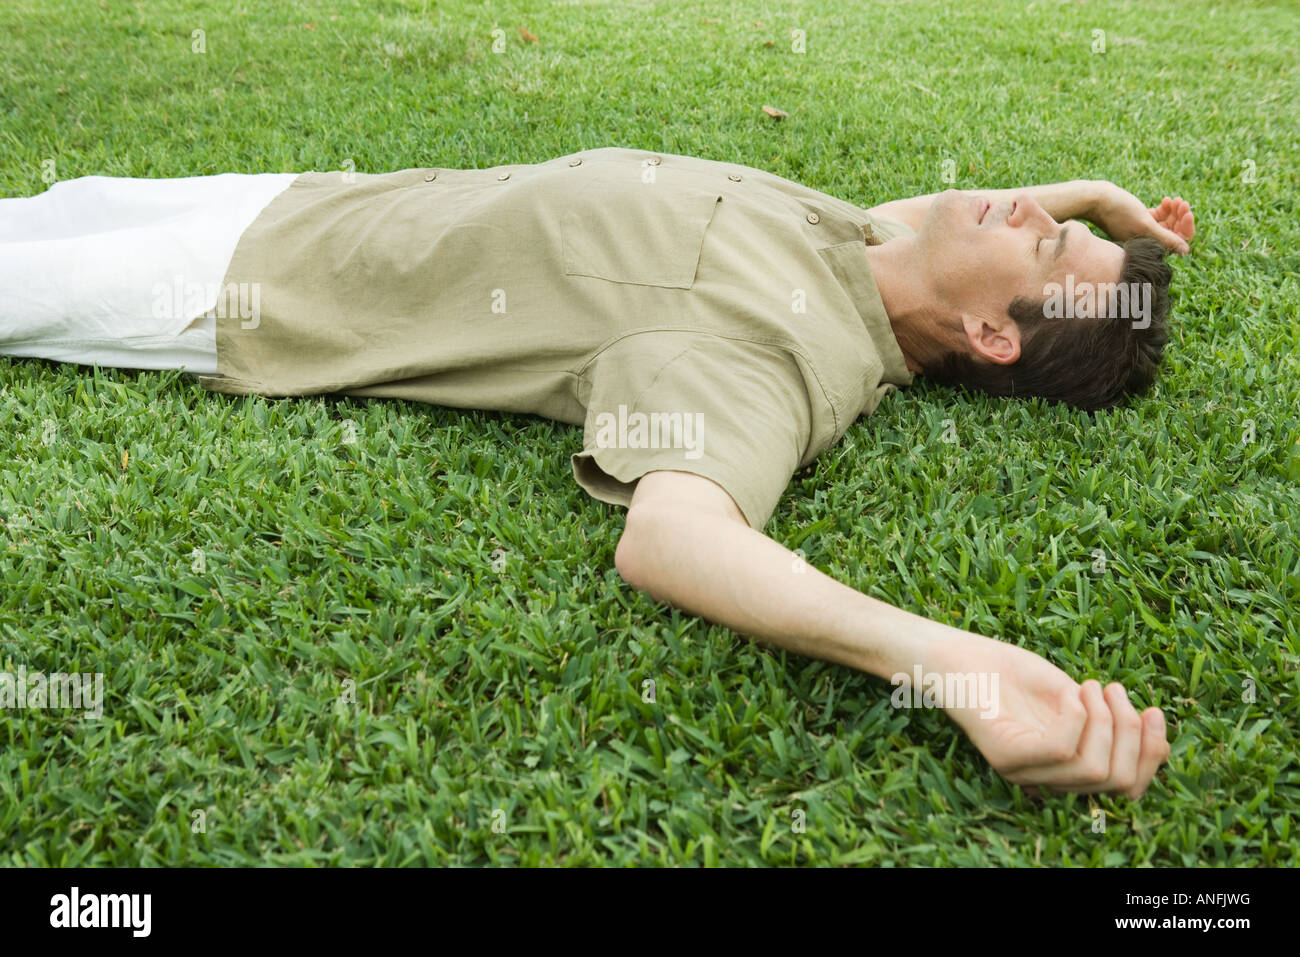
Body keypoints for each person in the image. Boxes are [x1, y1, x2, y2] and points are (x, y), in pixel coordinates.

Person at [0, 147, 1195, 797]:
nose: (1013, 206)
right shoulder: (861, 242)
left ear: (990, 338)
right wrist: (1091, 206)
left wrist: (946, 663)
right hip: (305, 199)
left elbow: (678, 537)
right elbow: (952, 221)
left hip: (249, 291)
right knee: (49, 205)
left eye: (1038, 239)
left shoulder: (772, 359)